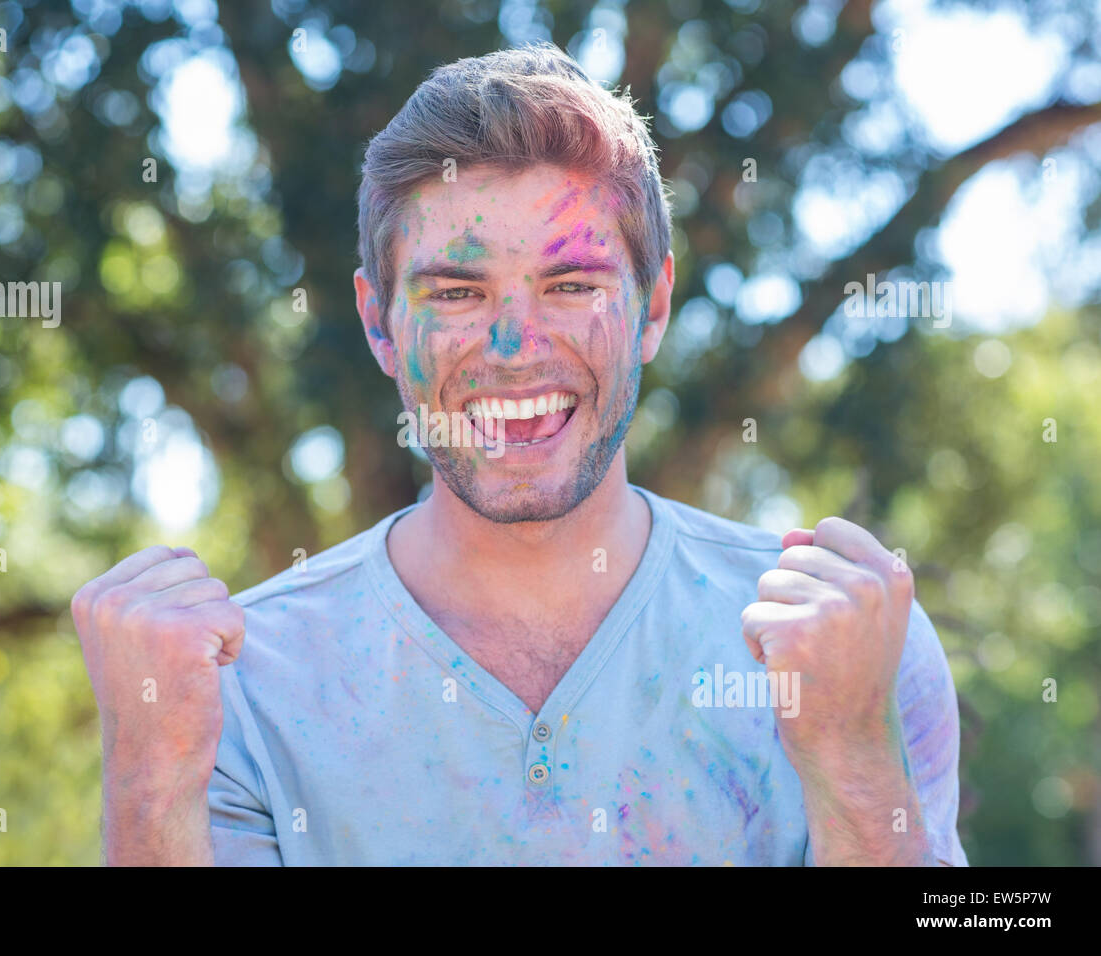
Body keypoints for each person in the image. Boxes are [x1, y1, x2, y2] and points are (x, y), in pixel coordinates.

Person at [71, 43, 966, 866]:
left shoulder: (847, 651)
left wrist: (851, 756)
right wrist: (150, 783)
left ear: (653, 307)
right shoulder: (239, 687)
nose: (512, 345)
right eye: (457, 291)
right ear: (378, 323)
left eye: (570, 284)